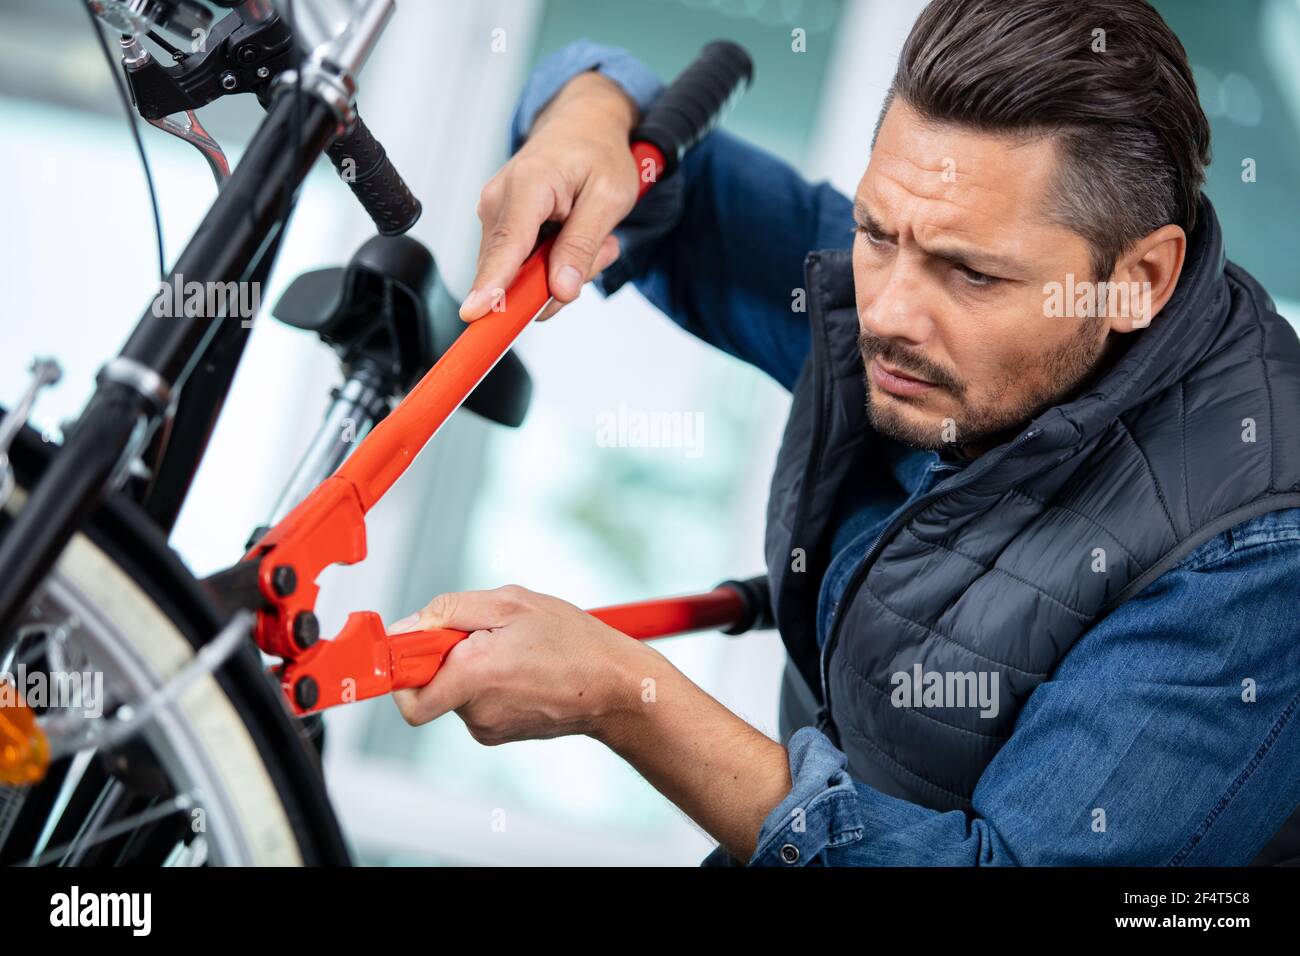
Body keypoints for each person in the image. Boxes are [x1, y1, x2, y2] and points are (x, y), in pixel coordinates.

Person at [388, 0, 1300, 865]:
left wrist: (629, 699)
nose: (891, 313)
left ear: (1138, 279)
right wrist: (587, 110)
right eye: (873, 232)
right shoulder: (929, 257)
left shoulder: (1259, 551)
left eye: (972, 277)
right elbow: (643, 172)